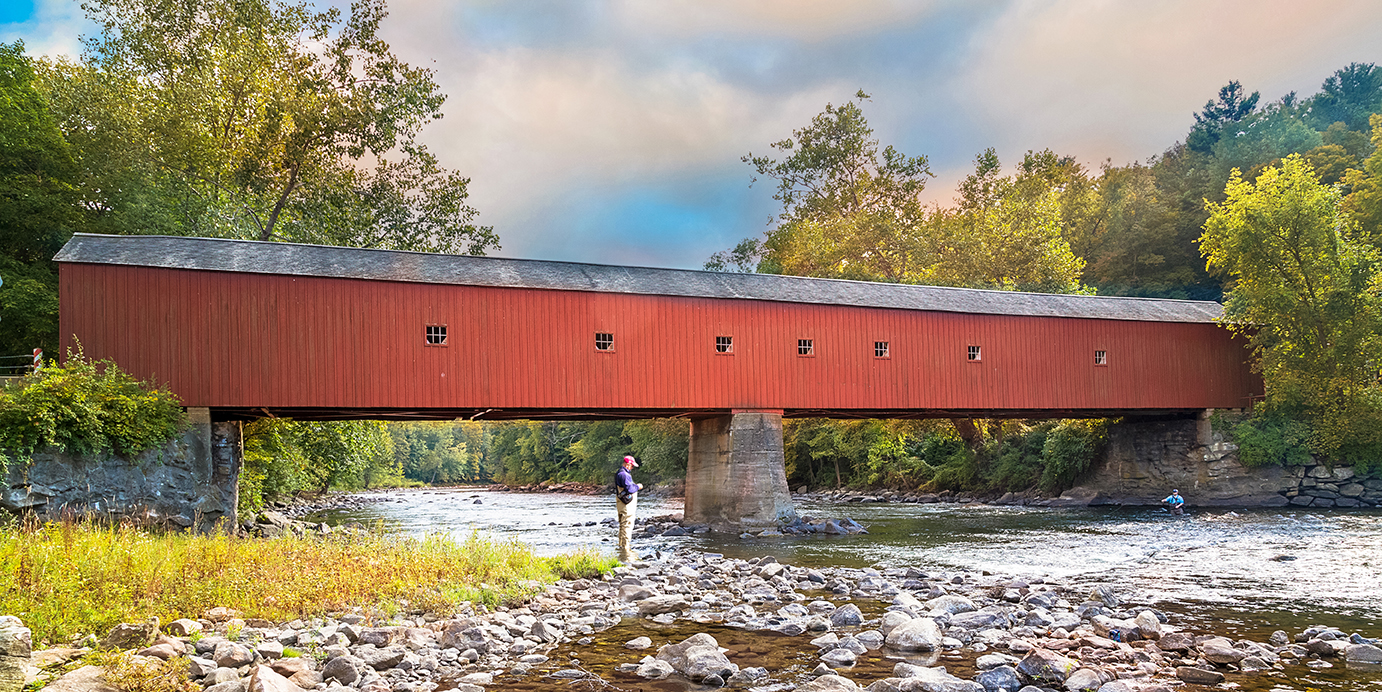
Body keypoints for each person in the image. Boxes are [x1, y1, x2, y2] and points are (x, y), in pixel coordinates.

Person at [615, 455, 643, 562]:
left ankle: (621, 547)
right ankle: (626, 550)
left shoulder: (619, 473)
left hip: (621, 503)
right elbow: (630, 488)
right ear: (628, 464)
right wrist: (638, 486)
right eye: (632, 466)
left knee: (622, 524)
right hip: (626, 505)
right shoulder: (624, 475)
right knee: (627, 525)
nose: (632, 468)